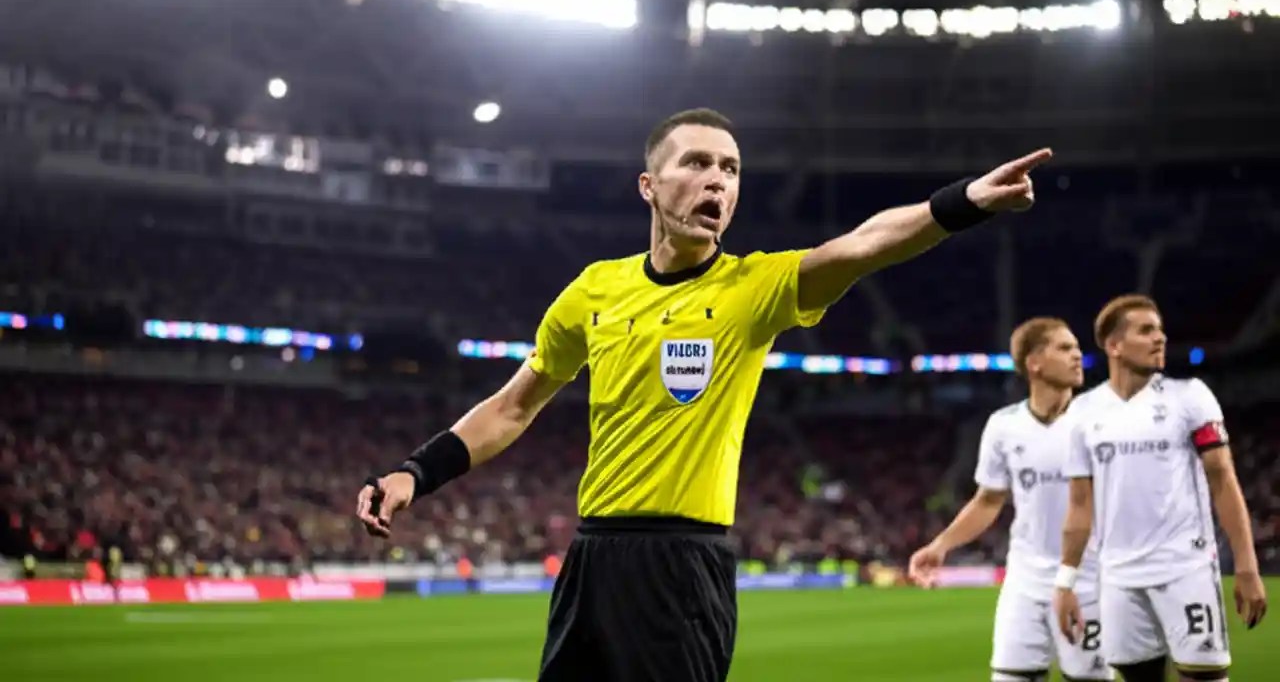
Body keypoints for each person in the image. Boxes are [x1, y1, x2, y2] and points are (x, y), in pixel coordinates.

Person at [356, 107, 1053, 681]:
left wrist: (961, 203)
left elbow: (862, 245)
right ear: (648, 186)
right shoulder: (594, 289)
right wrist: (415, 473)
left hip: (682, 564)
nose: (716, 179)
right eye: (696, 163)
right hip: (593, 559)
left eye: (730, 169)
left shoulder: (754, 288)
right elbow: (513, 406)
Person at [1055, 294, 1268, 682]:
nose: (1160, 338)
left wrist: (1247, 566)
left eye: (1161, 330)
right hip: (1118, 577)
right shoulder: (1083, 413)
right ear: (1114, 345)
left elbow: (1223, 480)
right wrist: (1065, 584)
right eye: (1146, 330)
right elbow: (1079, 506)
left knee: (1204, 677)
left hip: (1185, 569)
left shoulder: (1190, 397)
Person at [908, 317, 1112, 682]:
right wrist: (941, 545)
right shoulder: (1004, 426)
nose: (1078, 356)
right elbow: (988, 501)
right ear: (1034, 362)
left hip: (1088, 582)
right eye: (1065, 348)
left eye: (1078, 348)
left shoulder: (1101, 422)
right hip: (1024, 582)